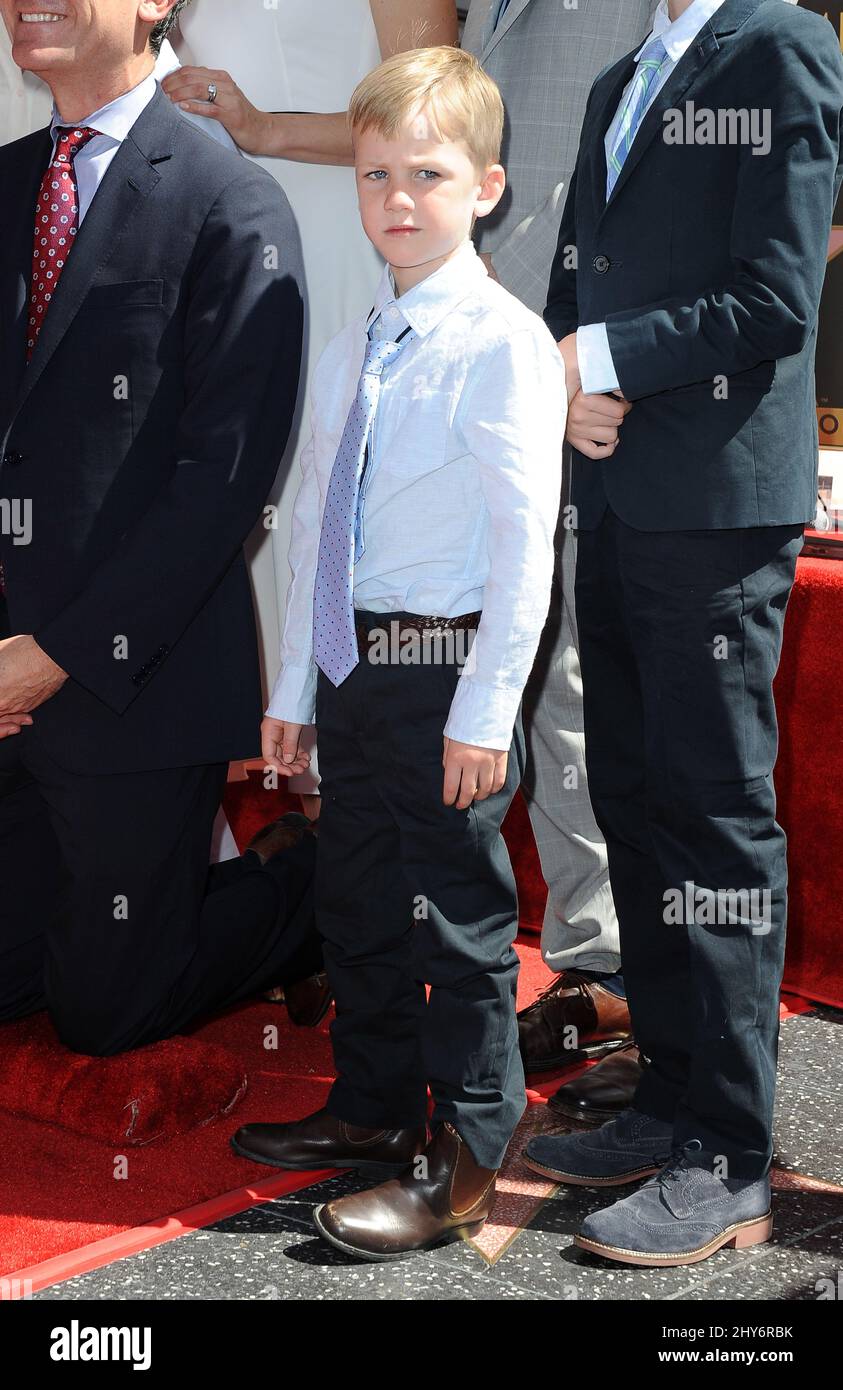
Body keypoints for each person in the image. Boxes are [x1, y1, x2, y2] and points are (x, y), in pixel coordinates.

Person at [231, 45, 566, 1259]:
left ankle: (472, 1147)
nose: (397, 200)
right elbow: (316, 515)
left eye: (427, 173)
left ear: (485, 184)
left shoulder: (503, 342)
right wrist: (294, 685)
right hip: (353, 668)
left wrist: (486, 709)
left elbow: (525, 543)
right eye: (376, 175)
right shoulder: (357, 342)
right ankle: (375, 1109)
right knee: (357, 899)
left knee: (458, 921)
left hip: (447, 673)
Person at [523, 0, 843, 1266]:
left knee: (713, 815)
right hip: (617, 490)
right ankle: (667, 1093)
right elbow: (576, 282)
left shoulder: (780, 45)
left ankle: (728, 1153)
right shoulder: (620, 79)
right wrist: (563, 382)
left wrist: (593, 353)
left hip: (716, 509)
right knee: (639, 794)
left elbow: (773, 291)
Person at [0, 0, 324, 1054]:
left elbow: (222, 486)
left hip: (130, 683)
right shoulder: (4, 184)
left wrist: (55, 656)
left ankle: (320, 884)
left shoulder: (231, 200)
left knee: (104, 1011)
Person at [163, 0, 459, 810]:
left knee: (331, 496)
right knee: (227, 490)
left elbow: (429, 113)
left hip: (344, 236)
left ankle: (343, 818)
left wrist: (263, 129)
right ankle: (253, 826)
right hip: (213, 242)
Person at [463, 0, 660, 1112]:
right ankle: (522, 967)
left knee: (574, 677)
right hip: (469, 356)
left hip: (588, 378)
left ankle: (614, 976)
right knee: (514, 670)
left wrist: (615, 347)